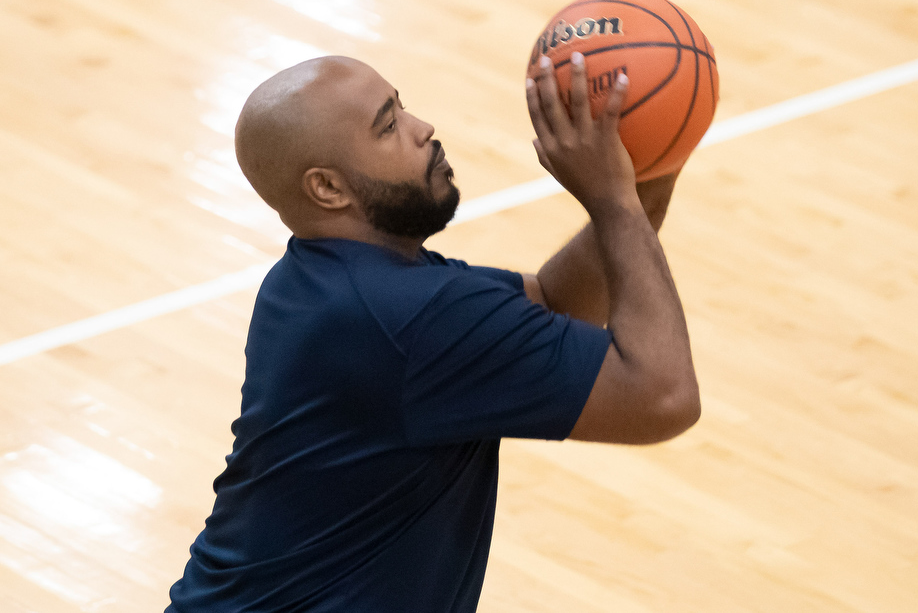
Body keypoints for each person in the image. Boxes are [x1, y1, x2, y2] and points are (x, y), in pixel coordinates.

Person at [166, 52, 700, 612]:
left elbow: (554, 302)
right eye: (388, 126)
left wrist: (654, 159)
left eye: (402, 107)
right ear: (327, 188)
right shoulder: (404, 315)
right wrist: (613, 202)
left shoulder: (334, 279)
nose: (423, 130)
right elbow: (662, 396)